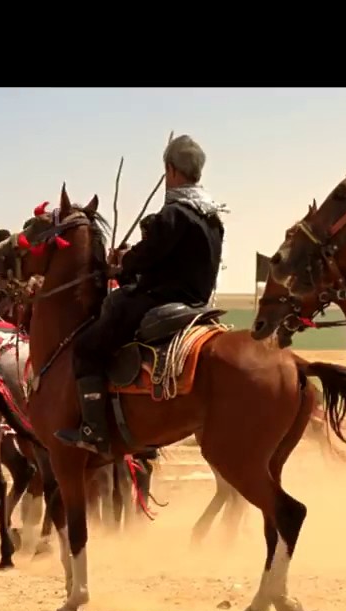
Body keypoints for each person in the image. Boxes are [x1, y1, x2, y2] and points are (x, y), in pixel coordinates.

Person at [54, 134, 227, 454]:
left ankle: (94, 430)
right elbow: (170, 254)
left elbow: (147, 259)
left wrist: (120, 265)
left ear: (171, 170)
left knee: (89, 347)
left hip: (163, 298)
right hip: (198, 302)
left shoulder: (173, 213)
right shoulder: (212, 216)